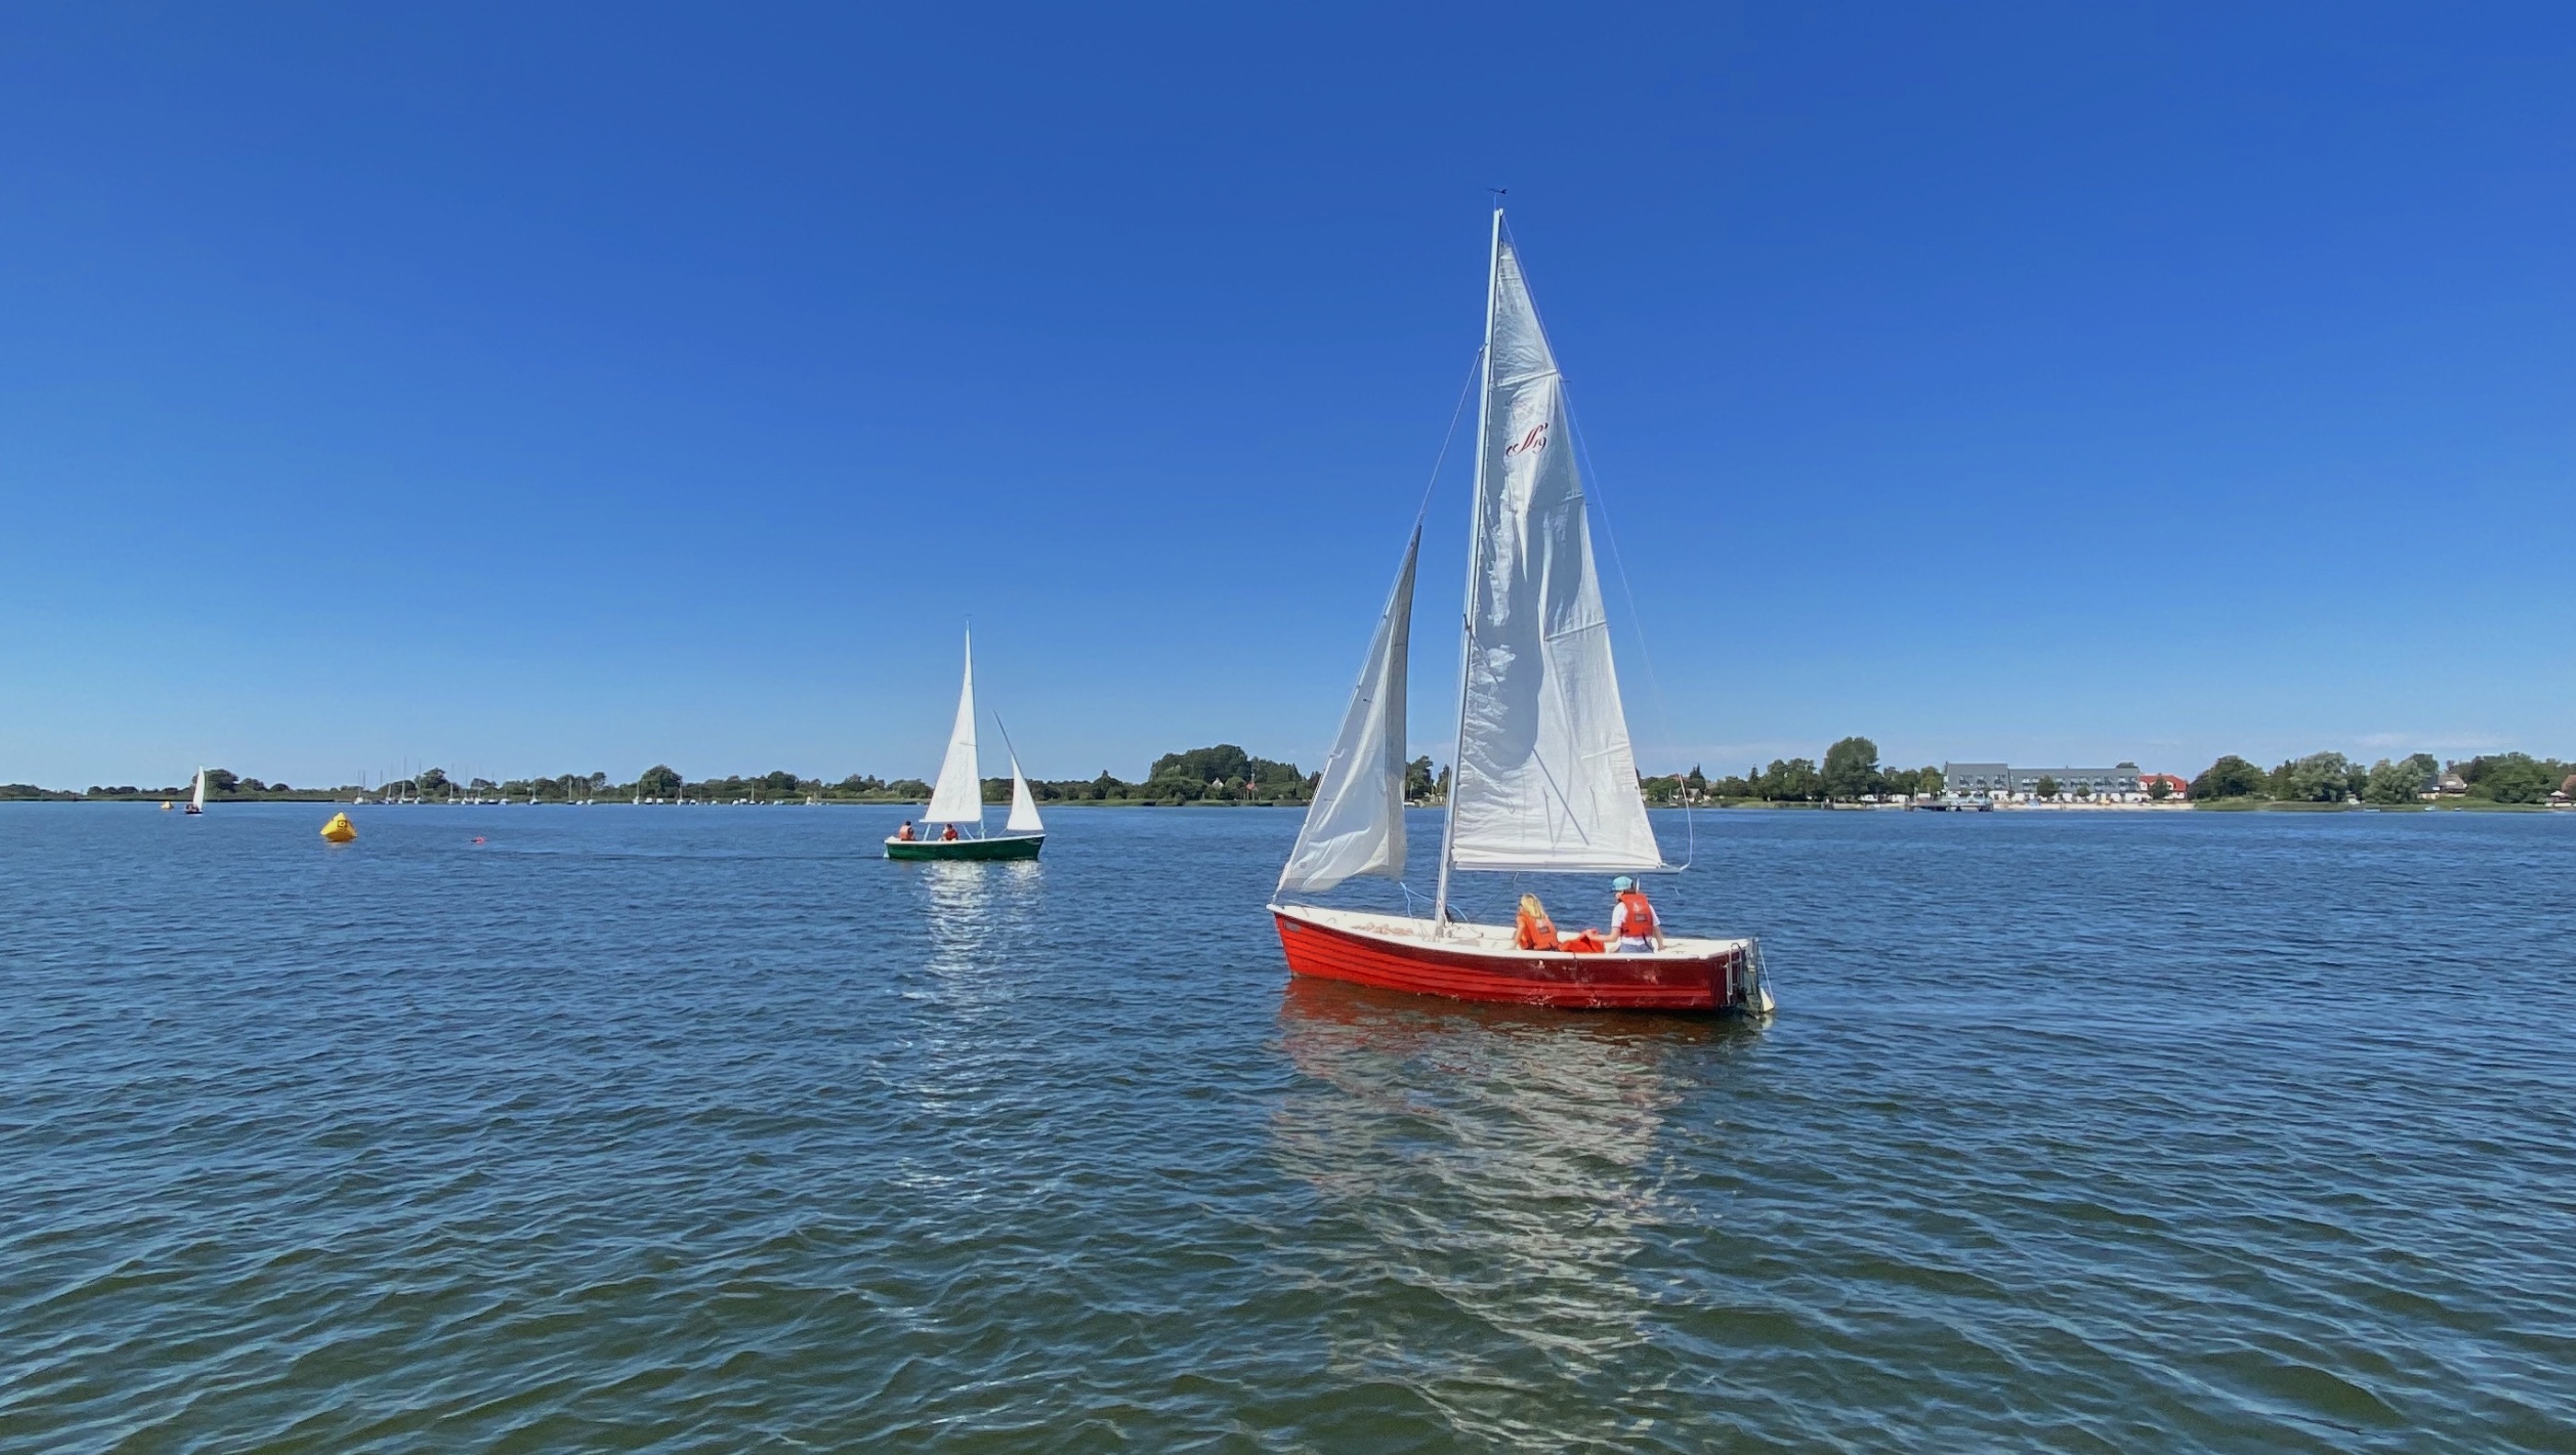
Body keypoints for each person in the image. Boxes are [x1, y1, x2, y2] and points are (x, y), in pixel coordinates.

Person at [1610, 876, 1662, 953]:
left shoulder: (1619, 908)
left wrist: (1593, 937)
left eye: (1616, 892)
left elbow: (1613, 938)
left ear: (1622, 892)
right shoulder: (1647, 905)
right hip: (1647, 946)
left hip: (1628, 948)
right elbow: (1656, 929)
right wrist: (1661, 946)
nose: (1615, 895)